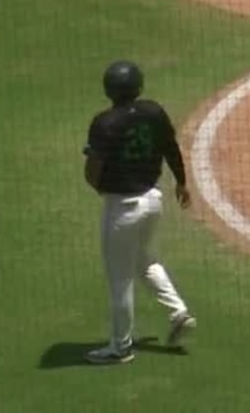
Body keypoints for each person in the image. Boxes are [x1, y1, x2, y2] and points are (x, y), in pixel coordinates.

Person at [81, 60, 197, 364]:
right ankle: (178, 312)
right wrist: (182, 183)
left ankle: (120, 348)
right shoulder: (153, 112)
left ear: (109, 90)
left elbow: (93, 169)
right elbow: (171, 147)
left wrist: (100, 188)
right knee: (145, 260)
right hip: (153, 202)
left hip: (123, 208)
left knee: (120, 280)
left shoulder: (104, 122)